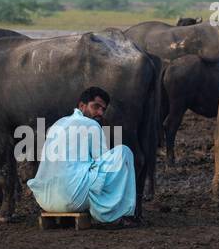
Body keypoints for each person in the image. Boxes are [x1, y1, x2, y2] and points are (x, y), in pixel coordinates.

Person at [27, 86, 137, 225]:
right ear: (81, 105)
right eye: (96, 107)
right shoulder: (91, 124)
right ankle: (116, 215)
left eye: (103, 109)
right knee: (124, 152)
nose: (100, 113)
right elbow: (103, 163)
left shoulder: (57, 124)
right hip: (73, 199)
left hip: (45, 200)